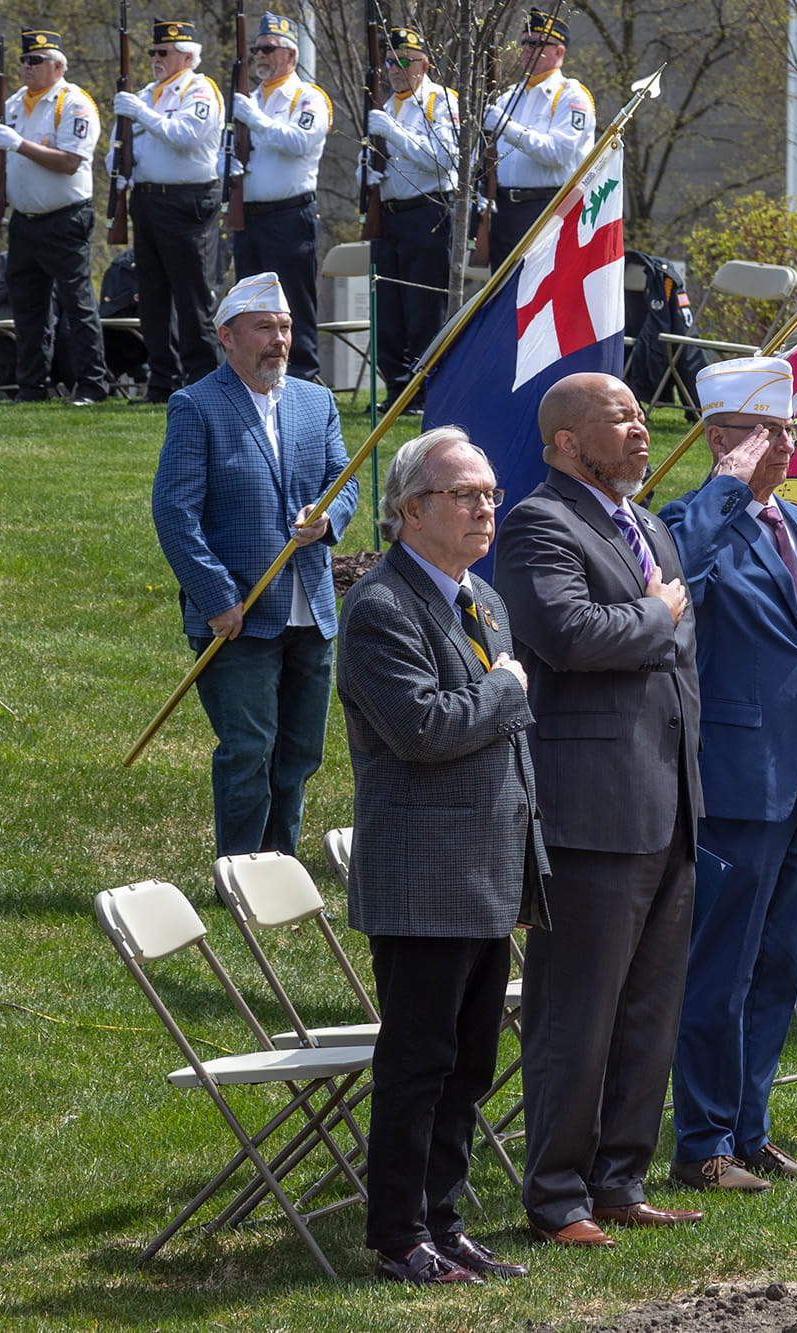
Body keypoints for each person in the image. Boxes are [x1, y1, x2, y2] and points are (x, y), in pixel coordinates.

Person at [492, 373, 705, 1247]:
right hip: (591, 811)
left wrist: (654, 622)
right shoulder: (539, 523)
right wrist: (654, 615)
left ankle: (620, 1179)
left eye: (640, 415)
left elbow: (681, 638)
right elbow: (569, 637)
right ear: (565, 443)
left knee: (649, 1010)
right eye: (619, 419)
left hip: (672, 800)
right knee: (575, 1015)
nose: (641, 429)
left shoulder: (647, 523)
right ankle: (555, 1197)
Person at [338, 427, 546, 1286]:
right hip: (425, 876)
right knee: (418, 1062)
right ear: (409, 510)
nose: (484, 507)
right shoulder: (382, 609)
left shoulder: (484, 602)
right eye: (465, 494)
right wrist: (505, 686)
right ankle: (396, 1234)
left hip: (487, 869)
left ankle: (446, 1221)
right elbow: (424, 729)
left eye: (490, 493)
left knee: (470, 1063)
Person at [659, 356, 797, 1192]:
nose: (784, 448)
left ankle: (751, 1126)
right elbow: (674, 585)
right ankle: (701, 1141)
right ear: (721, 440)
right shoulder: (691, 520)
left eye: (789, 431)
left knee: (776, 967)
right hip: (733, 779)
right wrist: (723, 490)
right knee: (719, 971)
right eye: (766, 434)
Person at [151, 272, 357, 858]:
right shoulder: (196, 406)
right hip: (239, 615)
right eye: (264, 328)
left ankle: (280, 867)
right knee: (249, 749)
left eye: (285, 327)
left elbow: (343, 480)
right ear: (228, 337)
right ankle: (240, 872)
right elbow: (174, 513)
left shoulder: (315, 403)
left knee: (300, 751)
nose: (279, 340)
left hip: (311, 609)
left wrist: (328, 518)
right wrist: (215, 597)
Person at [0, 28, 112, 404]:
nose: (26, 66)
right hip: (24, 220)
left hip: (64, 219)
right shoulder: (12, 104)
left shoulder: (72, 104)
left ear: (57, 66)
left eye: (35, 60)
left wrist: (20, 145)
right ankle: (32, 386)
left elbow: (71, 162)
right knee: (28, 307)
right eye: (24, 60)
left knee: (78, 304)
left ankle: (92, 383)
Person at [115, 19, 224, 403]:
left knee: (192, 295)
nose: (155, 59)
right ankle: (162, 381)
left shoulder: (200, 89)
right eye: (153, 53)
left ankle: (204, 379)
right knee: (153, 295)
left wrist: (139, 114)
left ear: (187, 56)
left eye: (164, 53)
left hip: (187, 202)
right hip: (147, 200)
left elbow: (185, 136)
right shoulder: (147, 92)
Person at [227, 11, 329, 383]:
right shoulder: (251, 98)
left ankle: (302, 374)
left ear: (291, 54)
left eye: (269, 48)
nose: (260, 56)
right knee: (251, 303)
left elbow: (299, 142)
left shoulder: (307, 97)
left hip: (289, 215)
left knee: (292, 300)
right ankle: (255, 374)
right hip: (249, 215)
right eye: (256, 49)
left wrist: (254, 119)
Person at [366, 26, 458, 410]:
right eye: (389, 60)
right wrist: (366, 172)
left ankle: (424, 390)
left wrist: (395, 133)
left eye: (404, 60)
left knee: (423, 309)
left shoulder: (440, 100)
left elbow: (444, 159)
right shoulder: (386, 105)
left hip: (427, 210)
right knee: (388, 309)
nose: (395, 68)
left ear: (425, 63)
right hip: (389, 215)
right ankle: (396, 388)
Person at [484, 9, 593, 266]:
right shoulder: (508, 97)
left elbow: (559, 154)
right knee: (502, 298)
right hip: (504, 212)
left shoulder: (571, 96)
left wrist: (507, 127)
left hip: (547, 209)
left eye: (537, 43)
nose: (527, 49)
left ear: (559, 51)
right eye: (524, 42)